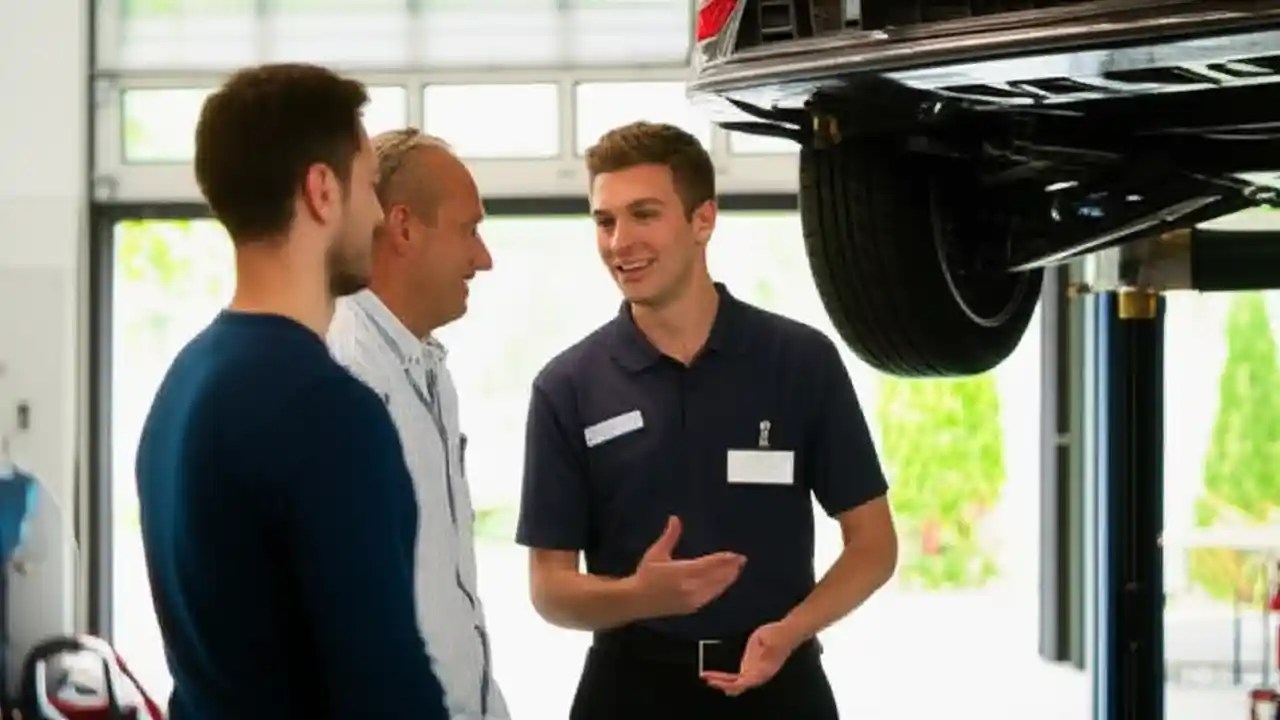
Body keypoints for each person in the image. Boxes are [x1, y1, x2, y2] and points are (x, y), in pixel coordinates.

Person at [514, 121, 899, 719]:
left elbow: (874, 545)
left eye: (644, 214)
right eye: (604, 220)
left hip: (780, 682)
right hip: (630, 690)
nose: (620, 242)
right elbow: (549, 589)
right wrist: (638, 596)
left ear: (703, 220)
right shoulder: (568, 386)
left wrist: (791, 631)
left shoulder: (798, 361)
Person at [134, 64, 449, 719]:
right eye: (367, 186)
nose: (377, 220)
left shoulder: (183, 383)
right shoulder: (326, 410)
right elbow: (388, 690)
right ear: (321, 190)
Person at [326, 129, 507, 719]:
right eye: (469, 230)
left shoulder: (427, 369)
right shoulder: (344, 373)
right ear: (403, 227)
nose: (484, 259)